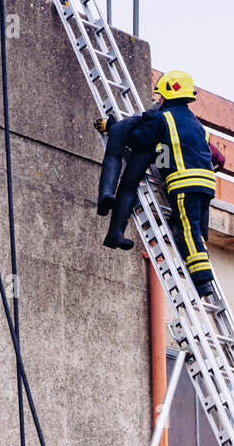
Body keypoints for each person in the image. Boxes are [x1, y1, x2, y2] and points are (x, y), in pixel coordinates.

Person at [96, 69, 225, 296]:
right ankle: (200, 269)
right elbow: (213, 156)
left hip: (185, 184)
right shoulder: (198, 126)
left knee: (187, 229)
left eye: (161, 96)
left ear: (167, 96)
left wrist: (114, 126)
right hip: (207, 186)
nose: (159, 101)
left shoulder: (162, 118)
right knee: (195, 229)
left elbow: (138, 140)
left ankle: (202, 280)